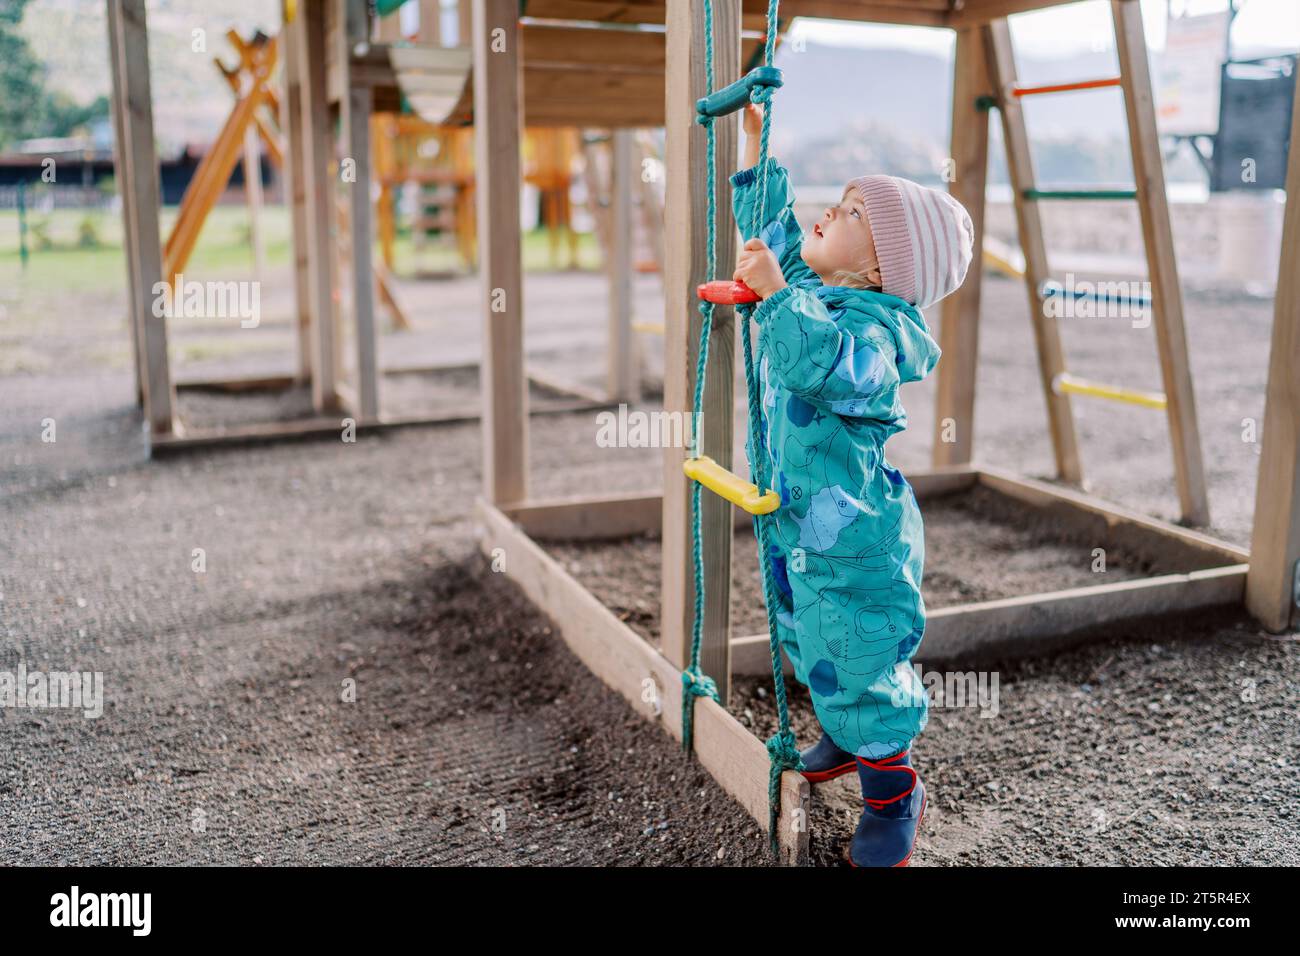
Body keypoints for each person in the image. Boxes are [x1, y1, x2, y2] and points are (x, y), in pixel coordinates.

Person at [730, 103, 974, 867]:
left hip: (854, 535)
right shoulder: (819, 290)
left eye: (853, 212)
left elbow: (819, 362)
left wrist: (774, 296)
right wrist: (756, 149)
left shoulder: (877, 335)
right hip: (797, 519)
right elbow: (774, 245)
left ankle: (894, 790)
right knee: (806, 631)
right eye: (839, 200)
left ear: (879, 270)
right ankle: (842, 728)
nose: (829, 210)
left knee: (860, 652)